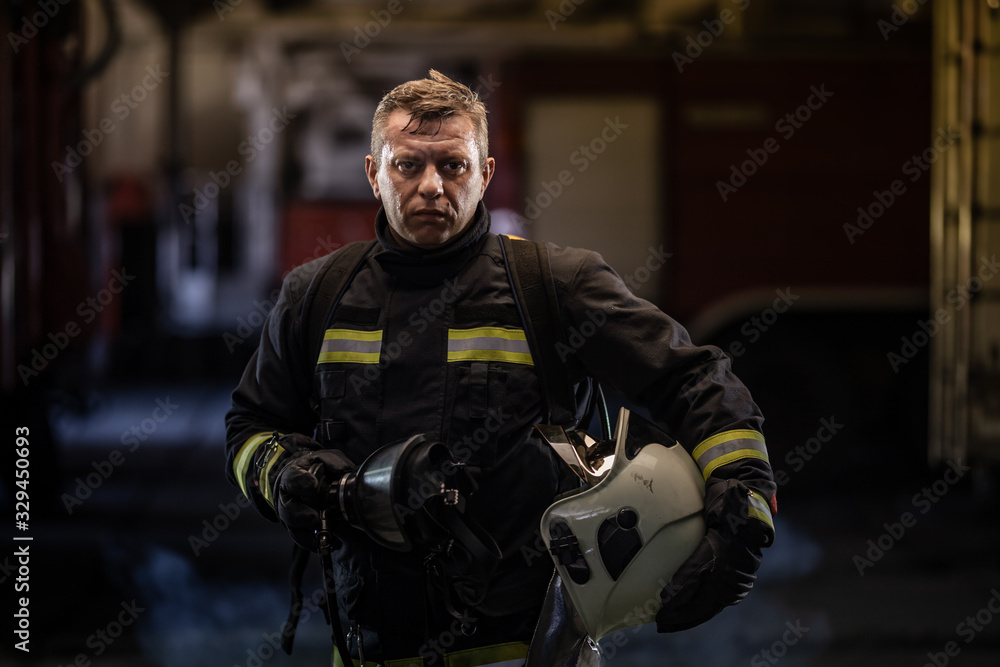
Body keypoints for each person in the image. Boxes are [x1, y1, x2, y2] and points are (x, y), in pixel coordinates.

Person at [225, 69, 777, 667]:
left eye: (453, 166)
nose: (431, 186)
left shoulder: (552, 285)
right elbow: (251, 427)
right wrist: (285, 475)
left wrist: (744, 496)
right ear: (373, 173)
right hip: (367, 649)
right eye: (407, 165)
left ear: (485, 175)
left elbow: (691, 378)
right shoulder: (316, 295)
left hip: (528, 646)